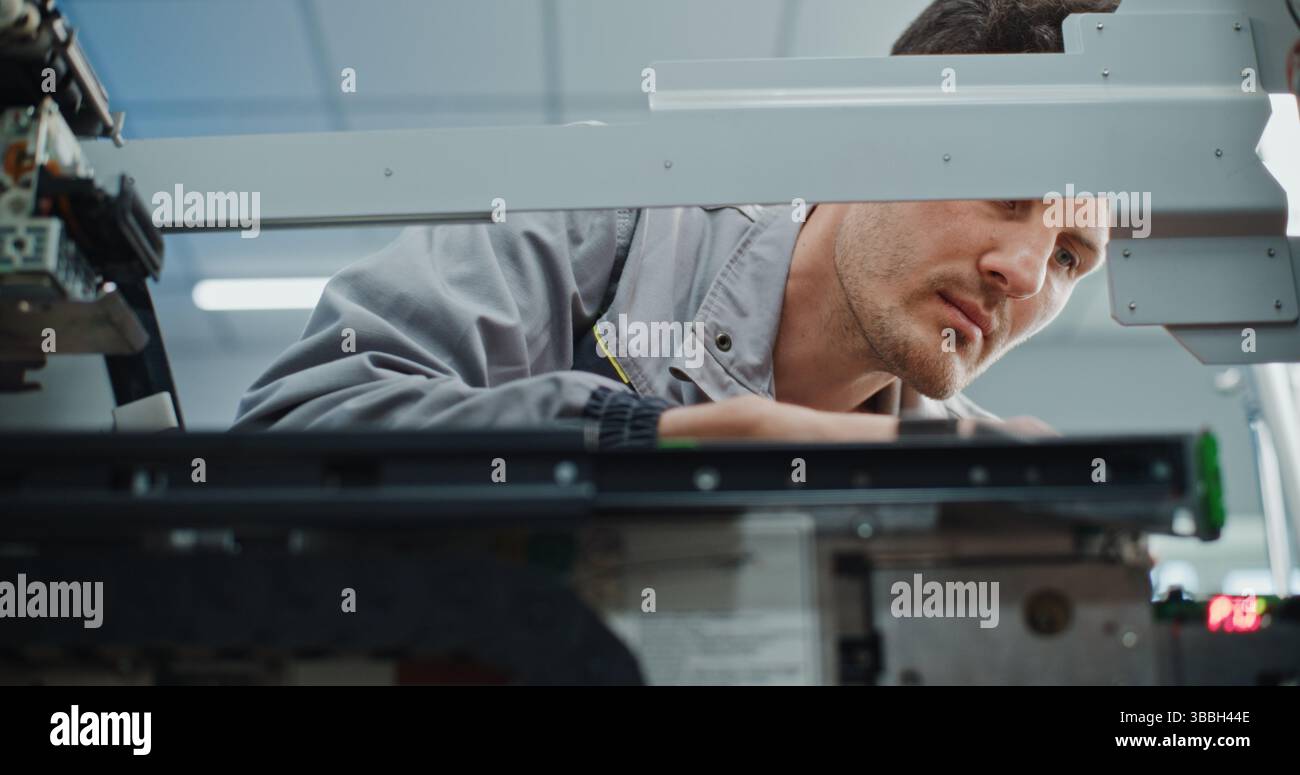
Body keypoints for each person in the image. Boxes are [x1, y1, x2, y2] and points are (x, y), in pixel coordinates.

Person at [234, 0, 1117, 447]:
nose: (1028, 273)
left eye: (1073, 254)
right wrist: (656, 437)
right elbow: (300, 423)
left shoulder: (967, 482)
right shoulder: (608, 203)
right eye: (1006, 190)